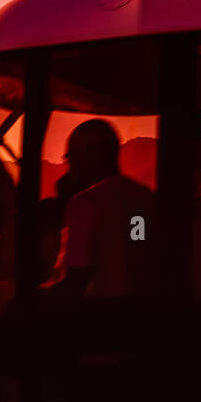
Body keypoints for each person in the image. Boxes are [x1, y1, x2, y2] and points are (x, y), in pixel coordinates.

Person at [48, 118, 155, 300]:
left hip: (101, 313)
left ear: (91, 156)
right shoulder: (146, 197)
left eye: (71, 157)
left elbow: (75, 282)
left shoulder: (84, 203)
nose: (69, 166)